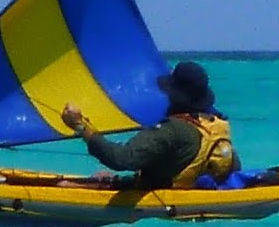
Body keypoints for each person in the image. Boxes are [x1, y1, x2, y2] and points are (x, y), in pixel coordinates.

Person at [58, 61, 240, 190]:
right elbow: (234, 168)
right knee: (103, 177)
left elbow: (121, 159)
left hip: (163, 198)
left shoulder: (172, 130)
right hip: (195, 193)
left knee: (71, 184)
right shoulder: (217, 125)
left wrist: (81, 126)